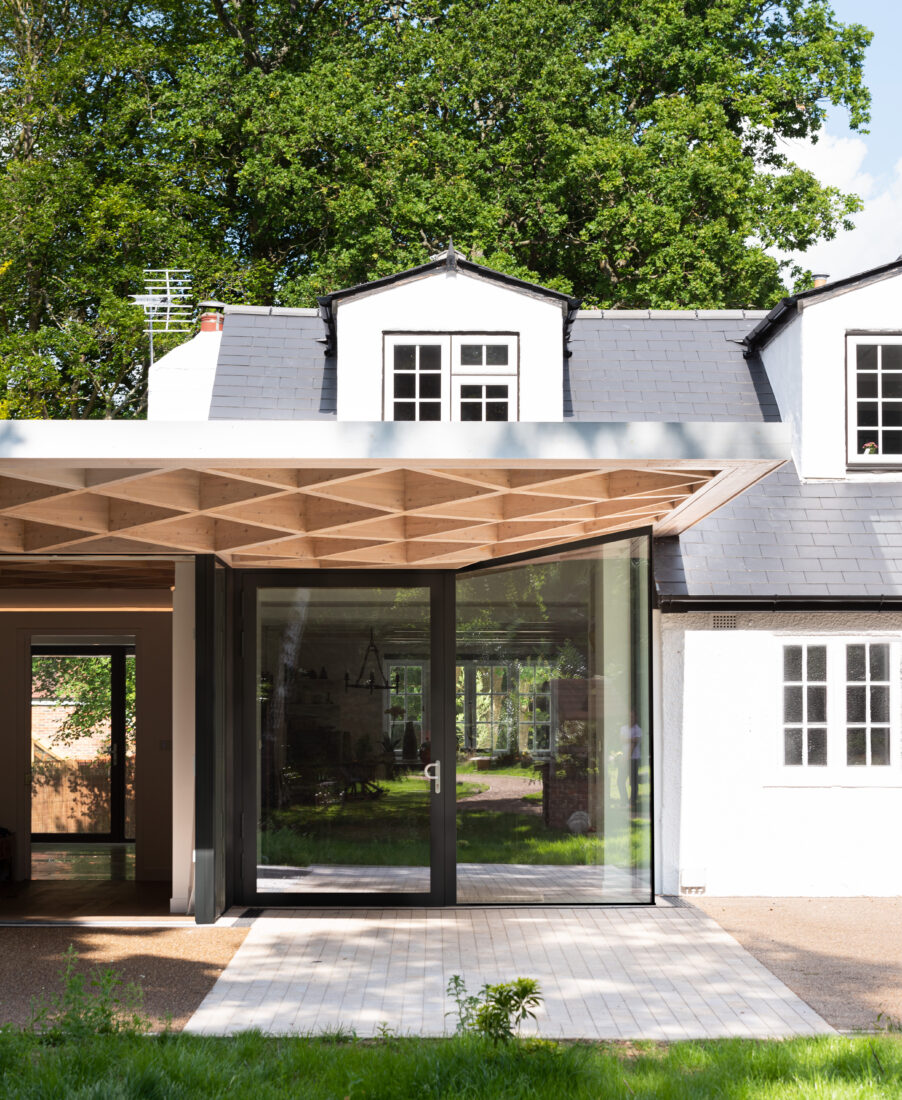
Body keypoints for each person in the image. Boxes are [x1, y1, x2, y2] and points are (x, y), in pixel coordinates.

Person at [619, 710, 642, 814]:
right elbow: (621, 740)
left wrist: (627, 757)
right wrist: (631, 739)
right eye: (629, 716)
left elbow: (634, 744)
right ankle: (624, 802)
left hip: (633, 759)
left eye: (633, 716)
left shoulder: (638, 729)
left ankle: (633, 803)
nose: (631, 718)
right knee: (620, 781)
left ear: (635, 718)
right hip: (624, 758)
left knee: (633, 782)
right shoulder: (623, 728)